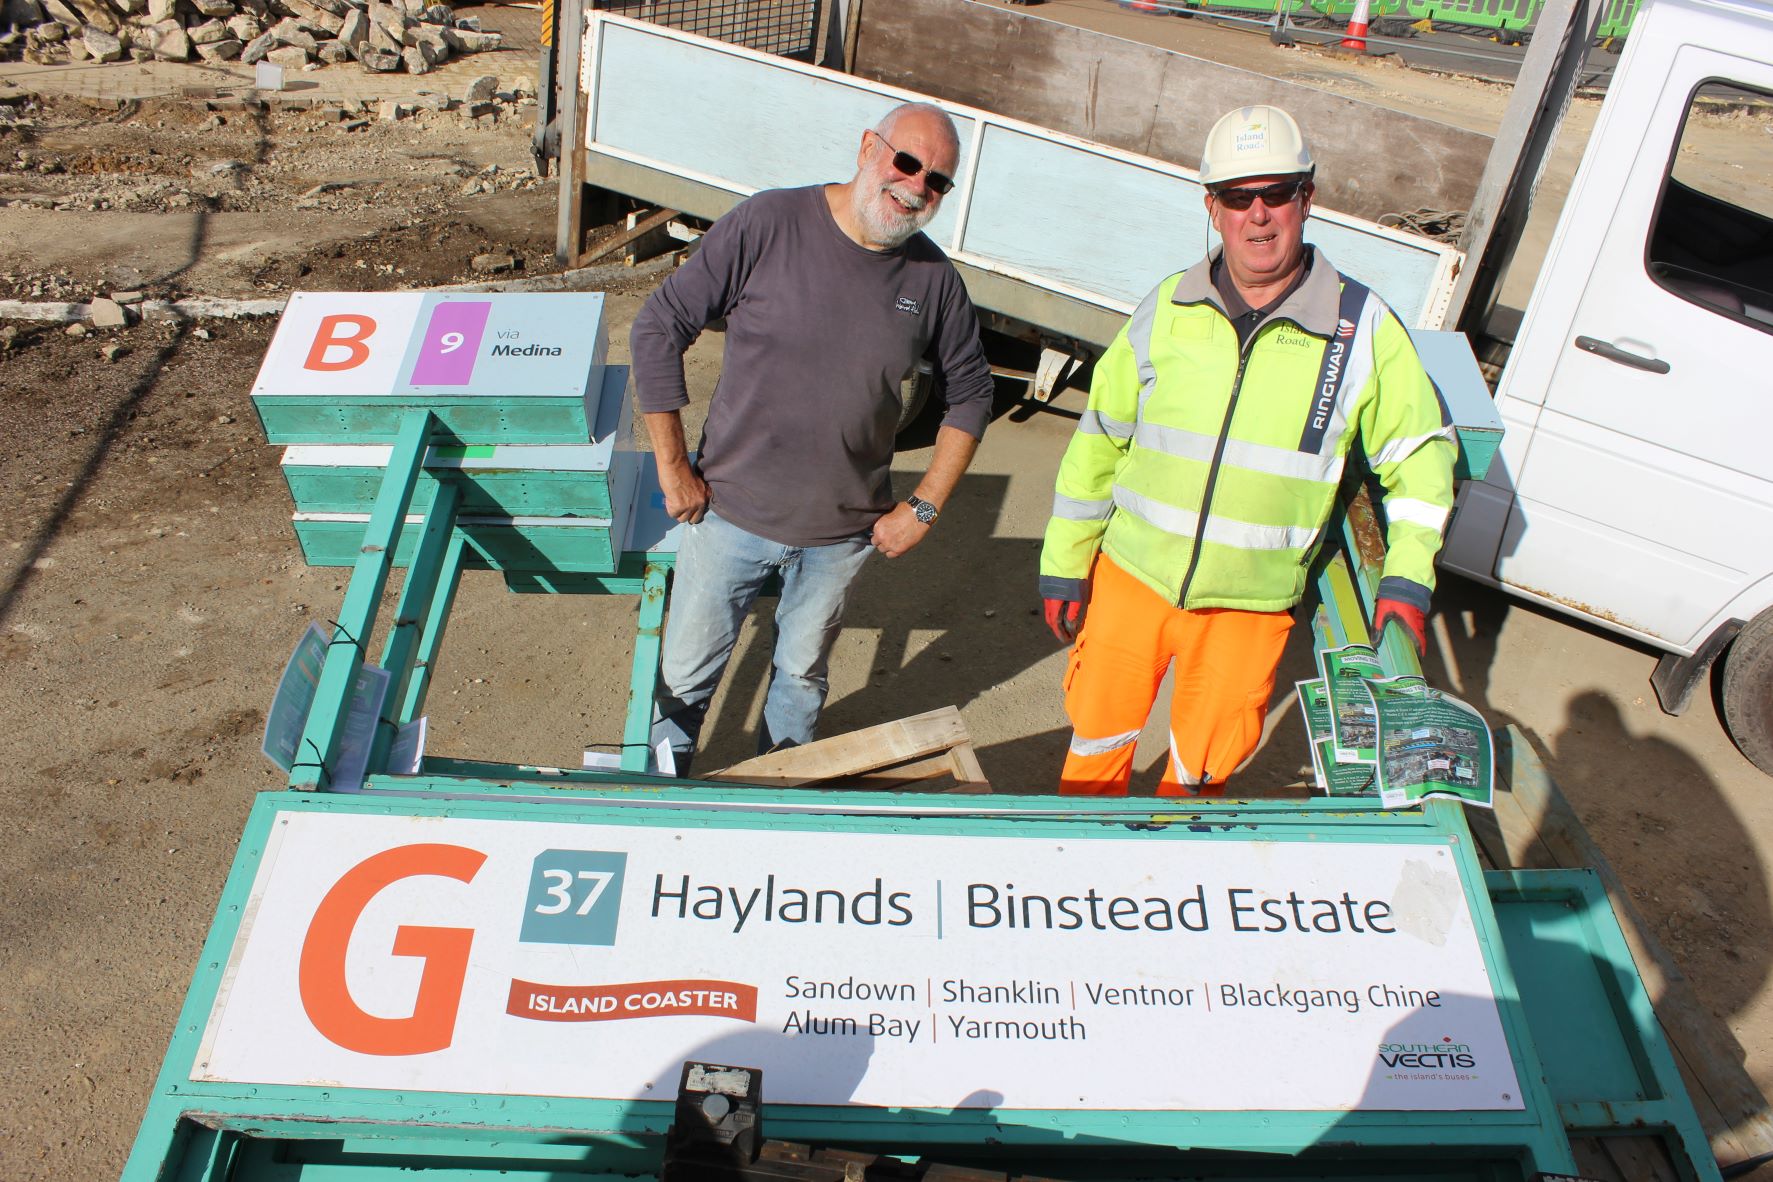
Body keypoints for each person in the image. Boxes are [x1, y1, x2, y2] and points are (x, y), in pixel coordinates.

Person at [1038, 105, 1456, 796]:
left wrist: (1406, 577)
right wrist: (1063, 563)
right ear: (1211, 207)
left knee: (1199, 777)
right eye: (1237, 197)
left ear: (1306, 198)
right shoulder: (1165, 308)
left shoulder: (1361, 329)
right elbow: (1098, 444)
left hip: (1248, 607)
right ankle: (1085, 883)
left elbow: (1418, 456)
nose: (1257, 215)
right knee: (1093, 750)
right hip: (1130, 581)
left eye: (1276, 193)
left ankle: (1173, 886)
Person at [631, 101, 996, 773]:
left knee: (799, 684)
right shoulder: (769, 223)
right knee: (682, 683)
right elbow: (659, 327)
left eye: (937, 181)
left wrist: (923, 506)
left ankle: (780, 799)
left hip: (838, 540)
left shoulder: (932, 280)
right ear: (867, 147)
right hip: (730, 515)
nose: (916, 186)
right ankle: (664, 810)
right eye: (906, 162)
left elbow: (971, 393)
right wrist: (671, 465)